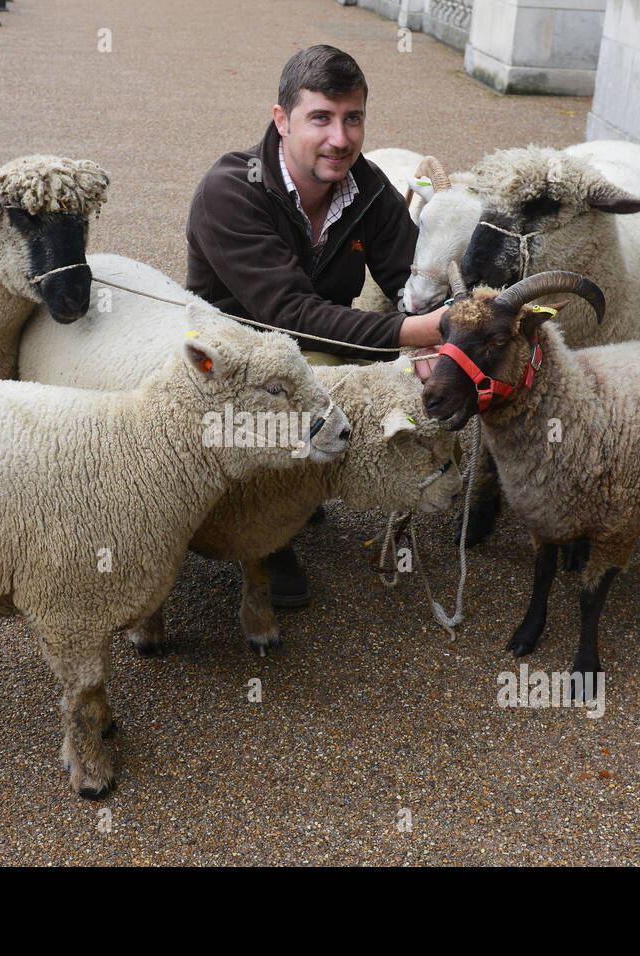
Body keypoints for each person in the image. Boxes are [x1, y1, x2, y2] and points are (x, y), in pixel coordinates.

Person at [186, 44, 448, 609]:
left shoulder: (367, 187)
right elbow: (290, 313)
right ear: (282, 120)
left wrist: (441, 323)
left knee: (372, 377)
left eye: (353, 118)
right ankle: (263, 533)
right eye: (321, 118)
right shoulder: (229, 190)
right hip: (232, 357)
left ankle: (304, 486)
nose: (340, 138)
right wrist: (415, 334)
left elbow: (409, 278)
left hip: (321, 342)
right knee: (307, 381)